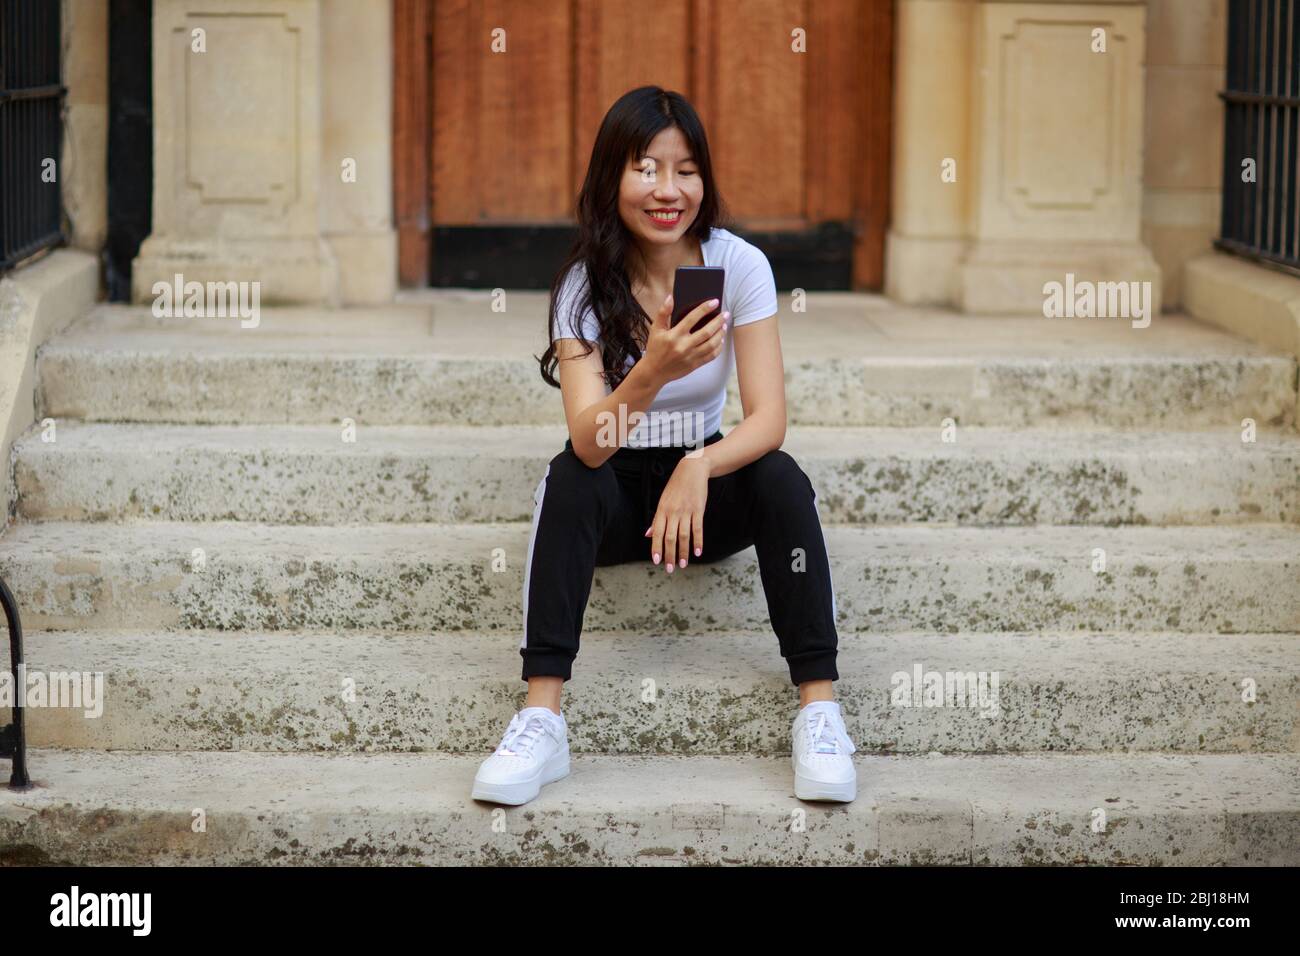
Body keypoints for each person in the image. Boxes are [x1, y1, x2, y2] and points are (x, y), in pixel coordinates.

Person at [471, 86, 854, 807]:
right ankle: (541, 717)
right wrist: (651, 371)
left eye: (685, 170)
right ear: (612, 176)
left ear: (705, 181)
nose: (667, 190)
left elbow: (768, 418)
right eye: (646, 168)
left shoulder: (739, 267)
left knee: (781, 478)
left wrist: (701, 462)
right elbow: (589, 442)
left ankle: (821, 710)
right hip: (615, 492)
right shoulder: (583, 285)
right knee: (567, 479)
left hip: (701, 491)